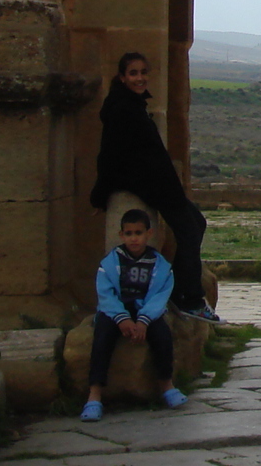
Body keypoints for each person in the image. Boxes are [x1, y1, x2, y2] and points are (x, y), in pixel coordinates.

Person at [88, 52, 220, 322]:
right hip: (151, 185)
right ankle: (189, 298)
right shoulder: (121, 108)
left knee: (196, 223)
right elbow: (109, 153)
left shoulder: (133, 104)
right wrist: (100, 195)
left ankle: (179, 291)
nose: (140, 78)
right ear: (122, 77)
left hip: (159, 184)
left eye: (143, 72)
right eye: (134, 73)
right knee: (190, 230)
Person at [81, 208, 188, 421]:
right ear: (121, 235)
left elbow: (159, 296)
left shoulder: (160, 266)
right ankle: (94, 395)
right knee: (102, 337)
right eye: (128, 233)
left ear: (149, 234)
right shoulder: (111, 262)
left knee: (162, 335)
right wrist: (122, 319)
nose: (134, 239)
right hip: (116, 310)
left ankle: (166, 385)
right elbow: (106, 293)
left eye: (138, 233)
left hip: (145, 309)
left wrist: (144, 321)